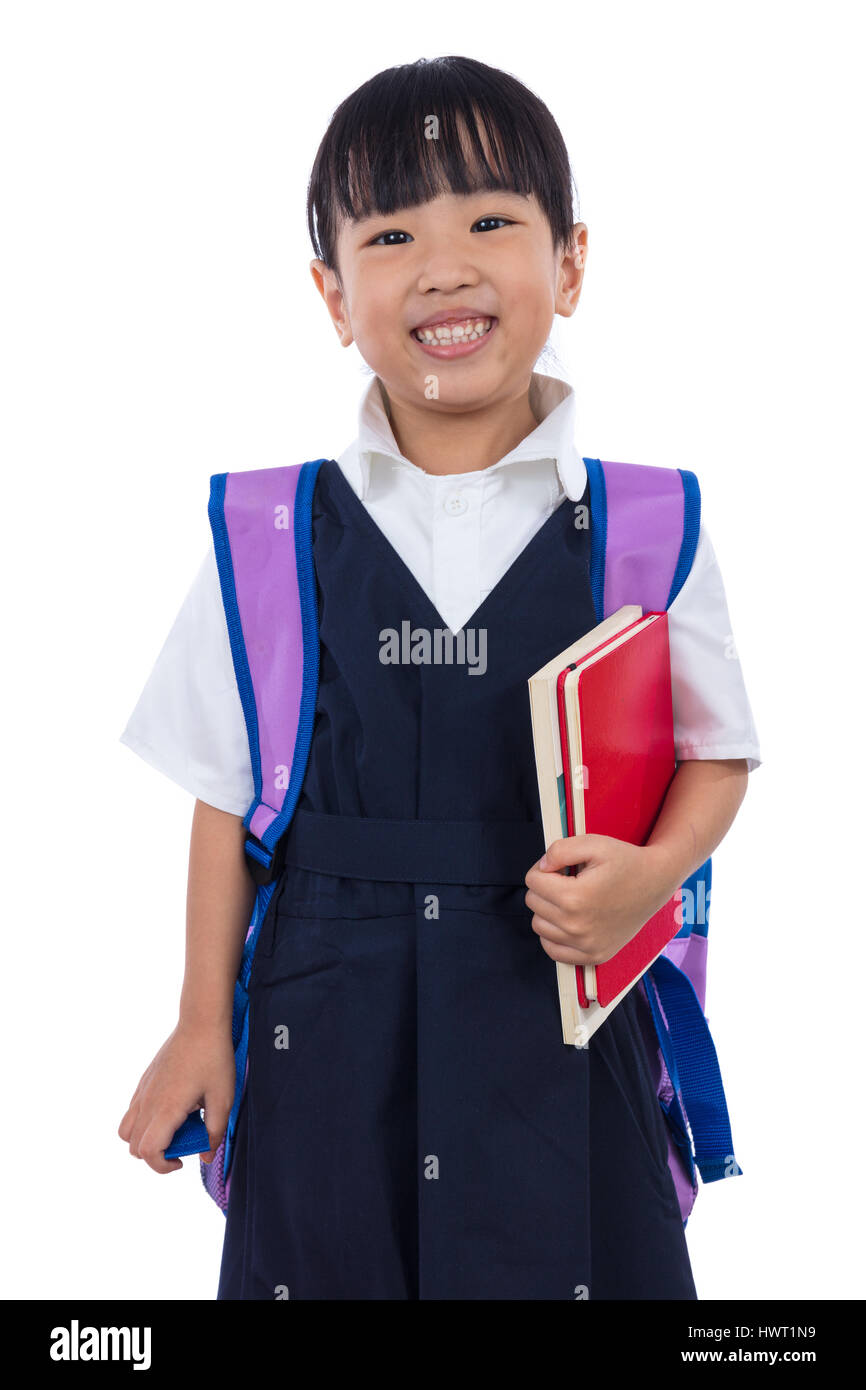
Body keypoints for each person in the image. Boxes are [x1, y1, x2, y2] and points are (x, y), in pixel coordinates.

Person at [117, 55, 762, 1300]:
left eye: (489, 220)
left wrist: (647, 875)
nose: (443, 263)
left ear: (569, 263)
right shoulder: (269, 530)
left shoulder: (644, 521)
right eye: (391, 230)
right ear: (330, 289)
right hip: (328, 1019)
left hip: (562, 1006)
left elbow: (715, 751)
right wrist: (204, 1022)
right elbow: (224, 798)